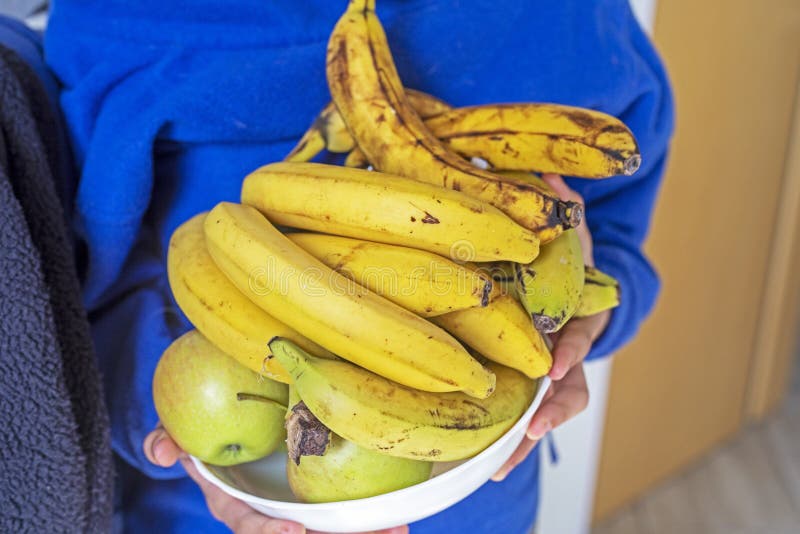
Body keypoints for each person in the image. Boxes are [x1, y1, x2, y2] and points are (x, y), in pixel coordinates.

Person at [44, 0, 673, 532]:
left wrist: (587, 308)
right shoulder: (130, 19)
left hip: (485, 479)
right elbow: (66, 266)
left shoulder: (571, 20)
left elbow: (616, 228)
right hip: (209, 491)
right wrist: (146, 405)